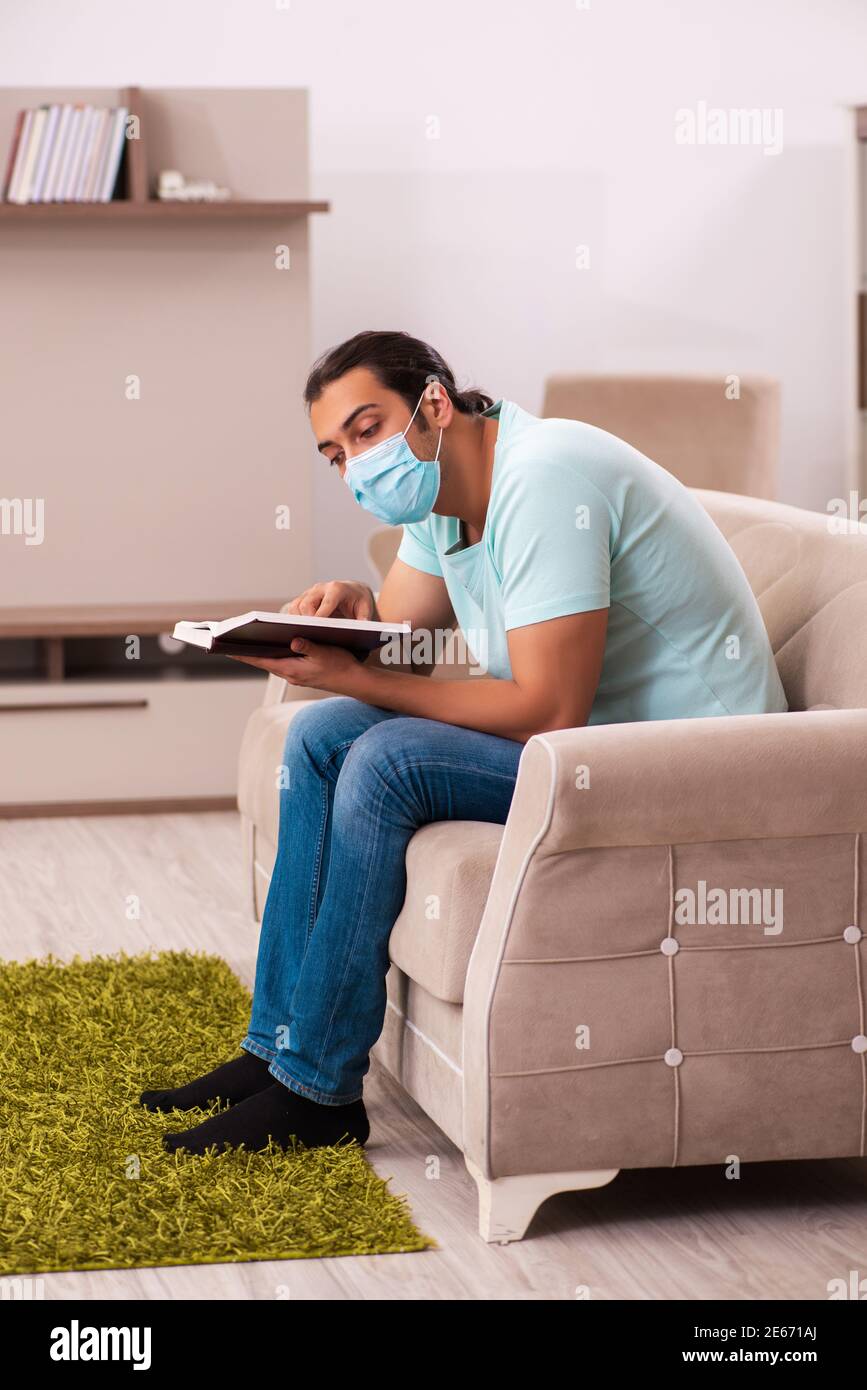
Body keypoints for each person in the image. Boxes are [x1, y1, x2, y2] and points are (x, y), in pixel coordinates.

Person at [140, 329, 787, 1155]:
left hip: (686, 763)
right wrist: (349, 609)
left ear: (434, 404)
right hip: (592, 748)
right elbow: (402, 633)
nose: (355, 465)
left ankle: (318, 1093)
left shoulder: (544, 478)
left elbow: (548, 707)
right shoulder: (444, 495)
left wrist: (357, 678)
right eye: (334, 454)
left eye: (366, 430)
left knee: (385, 761)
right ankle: (274, 1055)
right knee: (321, 738)